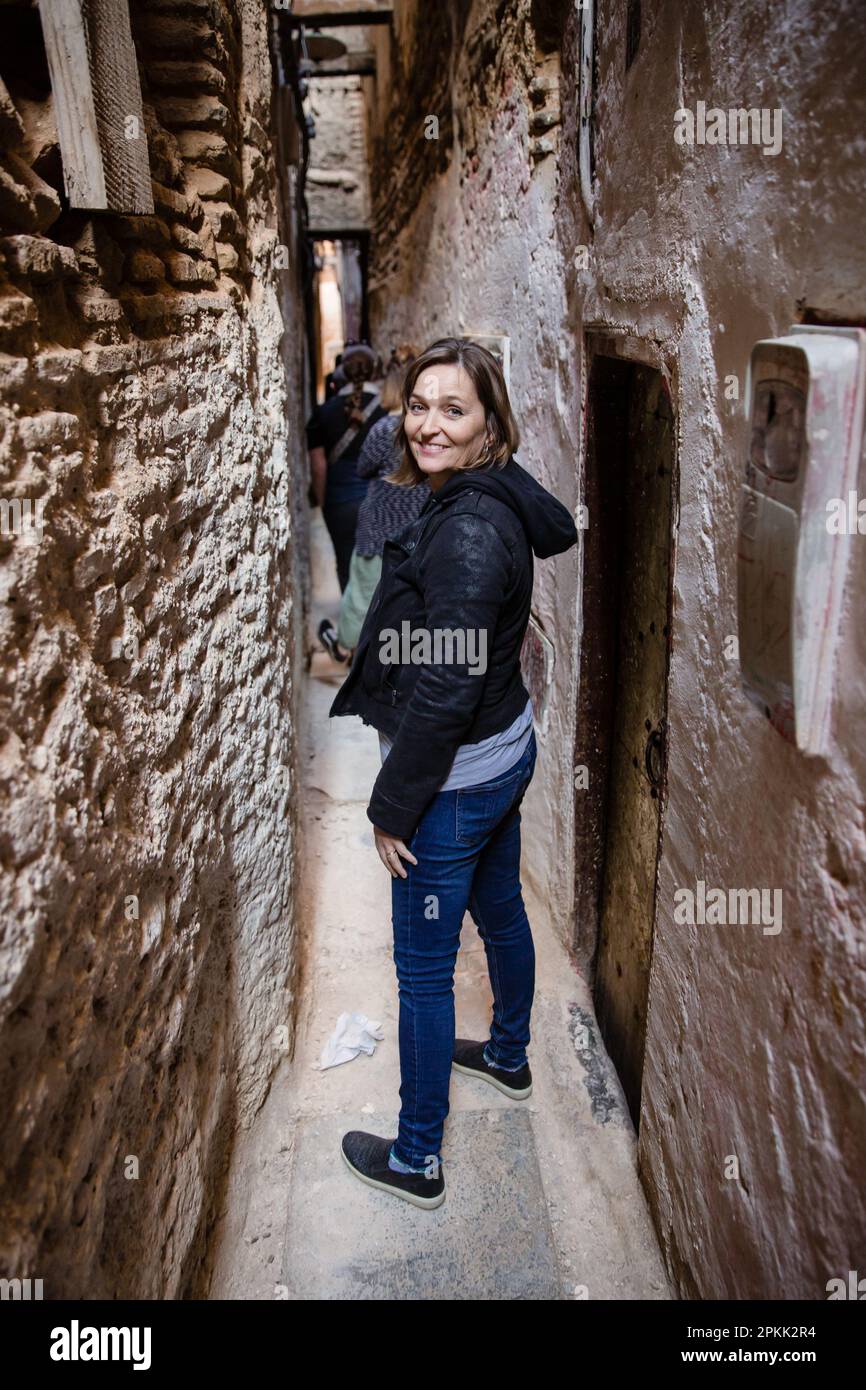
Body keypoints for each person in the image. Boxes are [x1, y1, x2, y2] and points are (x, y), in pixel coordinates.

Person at [328, 337, 578, 1209]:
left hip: (456, 781)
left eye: (454, 410)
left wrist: (394, 808)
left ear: (487, 428)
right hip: (505, 754)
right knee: (501, 907)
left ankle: (417, 1159)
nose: (429, 425)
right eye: (420, 405)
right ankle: (508, 1055)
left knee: (425, 974)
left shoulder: (469, 529)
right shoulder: (486, 490)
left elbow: (445, 688)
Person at [317, 344, 427, 665]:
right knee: (407, 596)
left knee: (362, 591)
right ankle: (399, 654)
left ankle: (344, 647)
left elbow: (363, 467)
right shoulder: (426, 429)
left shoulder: (385, 429)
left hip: (378, 526)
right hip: (416, 527)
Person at [306, 341, 385, 592]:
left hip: (338, 502)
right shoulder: (387, 411)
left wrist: (321, 502)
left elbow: (319, 466)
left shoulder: (323, 413)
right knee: (380, 567)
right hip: (378, 500)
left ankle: (353, 627)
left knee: (345, 564)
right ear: (374, 371)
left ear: (341, 372)